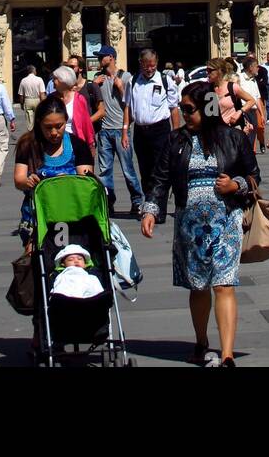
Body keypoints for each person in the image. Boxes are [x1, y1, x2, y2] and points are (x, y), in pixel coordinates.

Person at [141, 78, 258, 368]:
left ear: (206, 109)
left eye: (189, 109)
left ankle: (228, 353)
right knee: (198, 286)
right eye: (181, 108)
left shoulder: (233, 138)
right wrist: (151, 210)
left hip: (226, 221)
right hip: (189, 225)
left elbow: (254, 177)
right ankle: (202, 340)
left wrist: (236, 185)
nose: (183, 114)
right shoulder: (176, 139)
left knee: (224, 284)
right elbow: (160, 178)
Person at [13, 95, 94, 251]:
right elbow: (19, 179)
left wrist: (67, 182)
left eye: (59, 125)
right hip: (38, 215)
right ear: (39, 124)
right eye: (48, 127)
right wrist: (27, 181)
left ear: (66, 120)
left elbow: (87, 181)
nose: (54, 132)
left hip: (72, 215)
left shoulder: (78, 146)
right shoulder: (28, 144)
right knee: (36, 259)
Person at [126, 49, 181, 217]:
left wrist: (176, 133)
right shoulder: (133, 81)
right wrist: (124, 130)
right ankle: (149, 205)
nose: (149, 69)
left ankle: (160, 210)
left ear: (157, 64)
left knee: (160, 171)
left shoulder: (165, 81)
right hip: (141, 132)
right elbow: (127, 107)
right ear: (140, 64)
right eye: (146, 65)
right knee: (145, 170)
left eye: (153, 65)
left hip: (160, 130)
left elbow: (174, 109)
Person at [94, 46, 143, 215]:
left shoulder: (125, 76)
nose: (100, 59)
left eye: (102, 57)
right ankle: (108, 202)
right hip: (104, 131)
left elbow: (132, 105)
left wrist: (121, 88)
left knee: (128, 169)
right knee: (104, 170)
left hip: (120, 130)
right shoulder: (97, 78)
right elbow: (93, 103)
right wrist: (94, 86)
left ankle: (137, 201)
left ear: (111, 57)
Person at [49, 65, 95, 150]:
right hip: (54, 144)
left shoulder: (79, 99)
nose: (52, 81)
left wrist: (90, 144)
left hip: (75, 144)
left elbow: (86, 123)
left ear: (63, 81)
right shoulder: (50, 99)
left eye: (55, 79)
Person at [238, 55, 267, 154]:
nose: (258, 68)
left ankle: (248, 155)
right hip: (243, 110)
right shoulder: (239, 78)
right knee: (245, 134)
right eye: (256, 66)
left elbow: (257, 98)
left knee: (252, 136)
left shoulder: (254, 80)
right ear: (250, 67)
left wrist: (262, 114)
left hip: (253, 112)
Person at [16, 65, 46, 130]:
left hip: (28, 100)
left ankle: (30, 132)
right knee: (38, 117)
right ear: (34, 71)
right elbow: (42, 93)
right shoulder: (39, 79)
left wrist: (21, 103)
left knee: (29, 120)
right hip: (37, 99)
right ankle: (38, 132)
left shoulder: (23, 80)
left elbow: (21, 95)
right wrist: (43, 103)